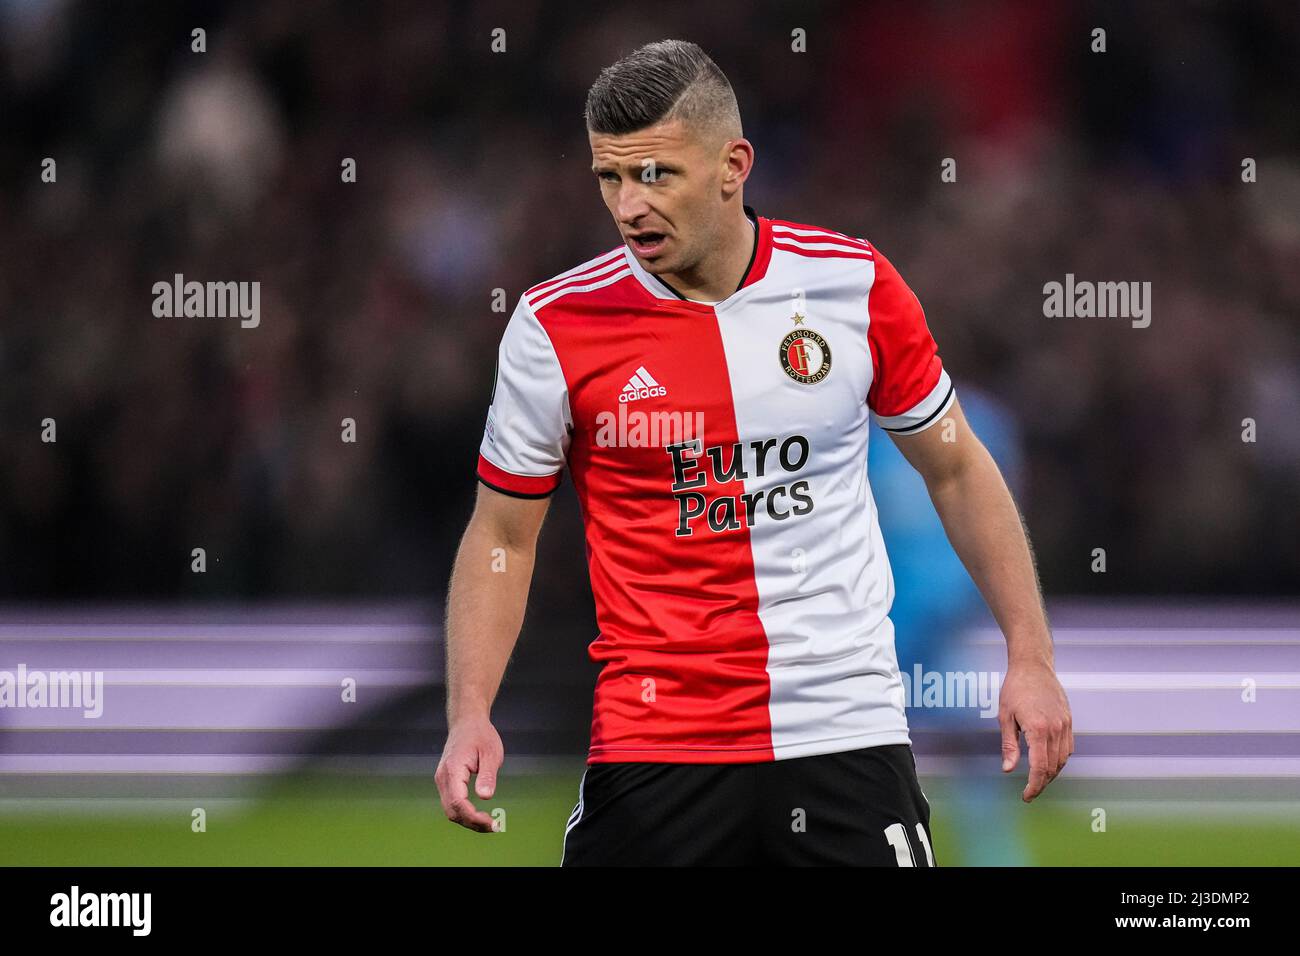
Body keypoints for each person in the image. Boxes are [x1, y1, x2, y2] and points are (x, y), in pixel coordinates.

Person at [436, 39, 1072, 866]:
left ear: (734, 164)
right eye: (610, 178)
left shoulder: (853, 287)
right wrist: (470, 709)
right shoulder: (555, 326)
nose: (629, 207)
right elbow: (502, 536)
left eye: (655, 174)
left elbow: (955, 468)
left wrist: (1030, 654)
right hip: (657, 742)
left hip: (844, 732)